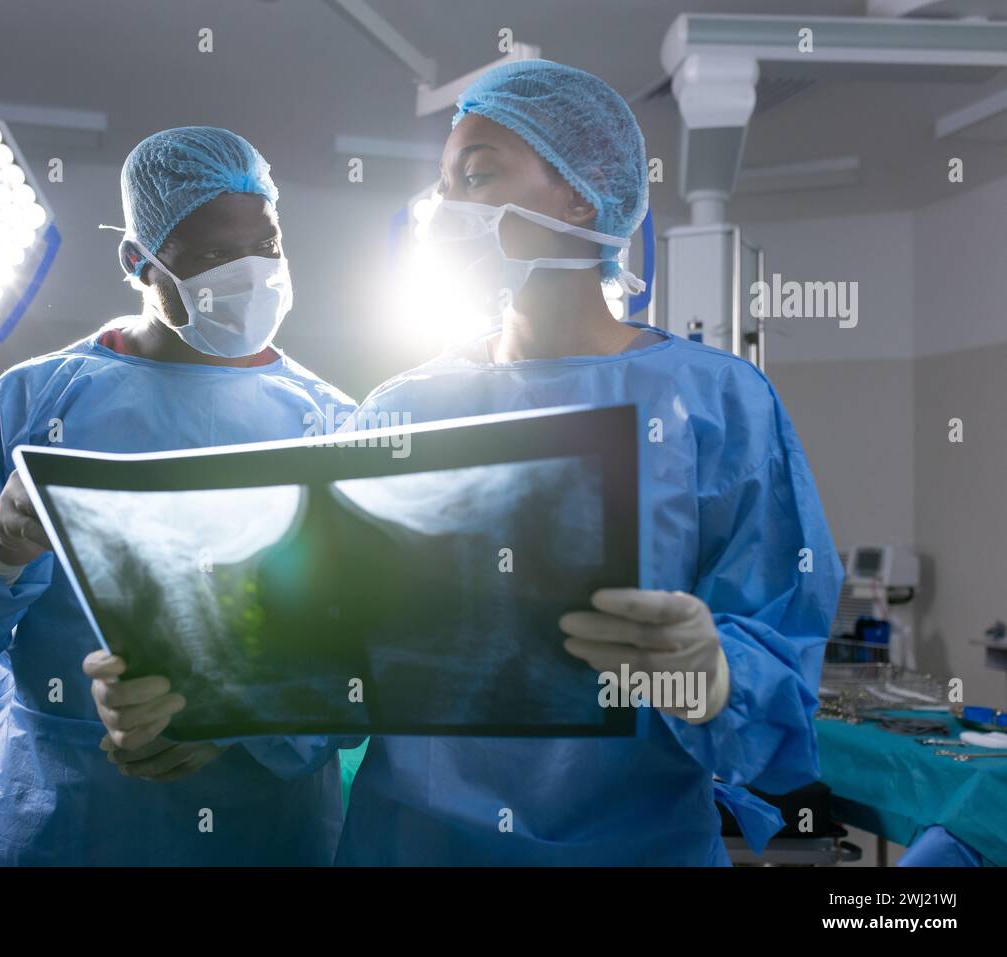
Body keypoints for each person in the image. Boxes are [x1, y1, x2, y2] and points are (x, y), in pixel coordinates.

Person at [327, 60, 843, 864]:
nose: (448, 208)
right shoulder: (402, 410)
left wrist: (712, 675)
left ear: (583, 192)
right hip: (413, 842)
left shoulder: (714, 403)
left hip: (634, 845)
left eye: (480, 174)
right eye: (445, 183)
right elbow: (329, 645)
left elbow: (775, 652)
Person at [0, 126, 354, 865]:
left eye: (267, 248)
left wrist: (244, 710)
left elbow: (378, 655)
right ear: (139, 260)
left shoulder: (331, 425)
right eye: (217, 256)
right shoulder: (34, 403)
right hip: (53, 824)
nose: (251, 276)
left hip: (261, 836)